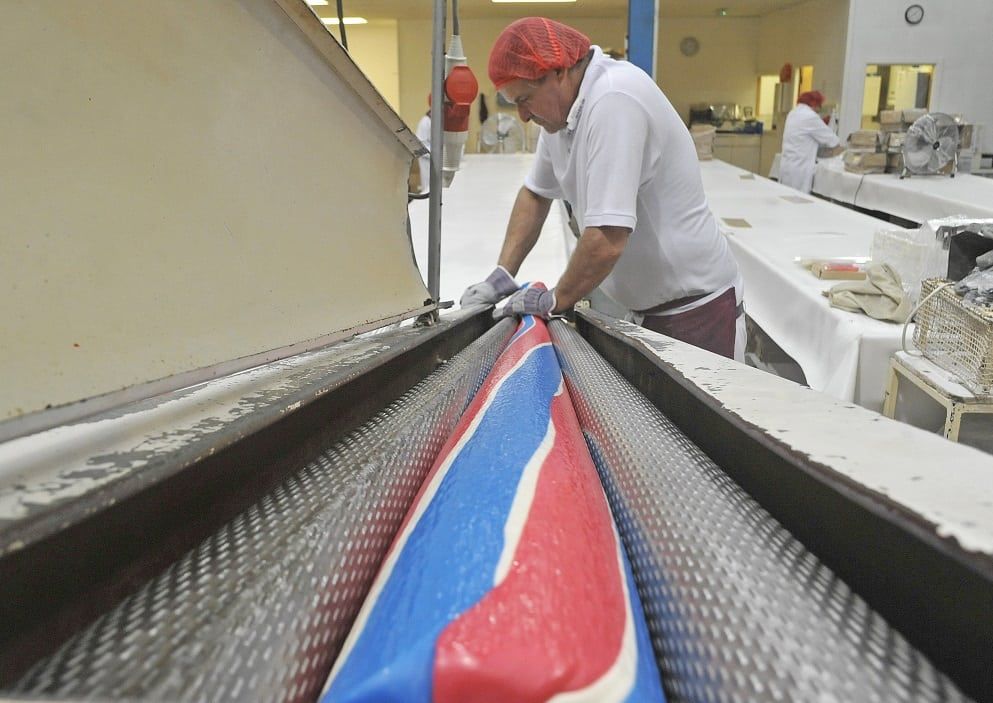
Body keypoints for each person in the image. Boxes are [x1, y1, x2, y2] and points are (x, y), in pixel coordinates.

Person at [460, 17, 745, 360]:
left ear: (558, 73)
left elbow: (608, 238)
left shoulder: (614, 99)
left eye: (524, 99)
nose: (521, 115)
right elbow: (536, 193)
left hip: (696, 312)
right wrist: (502, 275)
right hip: (647, 310)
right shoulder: (559, 117)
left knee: (696, 415)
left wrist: (554, 300)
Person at [779, 90, 844, 193]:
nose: (820, 110)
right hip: (799, 170)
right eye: (820, 106)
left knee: (786, 199)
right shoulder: (810, 116)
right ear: (815, 104)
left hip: (787, 165)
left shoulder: (793, 113)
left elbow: (806, 134)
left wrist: (821, 123)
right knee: (797, 202)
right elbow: (833, 141)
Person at [415, 95, 432, 193]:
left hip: (439, 161)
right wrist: (437, 154)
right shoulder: (425, 122)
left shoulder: (440, 120)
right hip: (427, 162)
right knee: (428, 189)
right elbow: (420, 147)